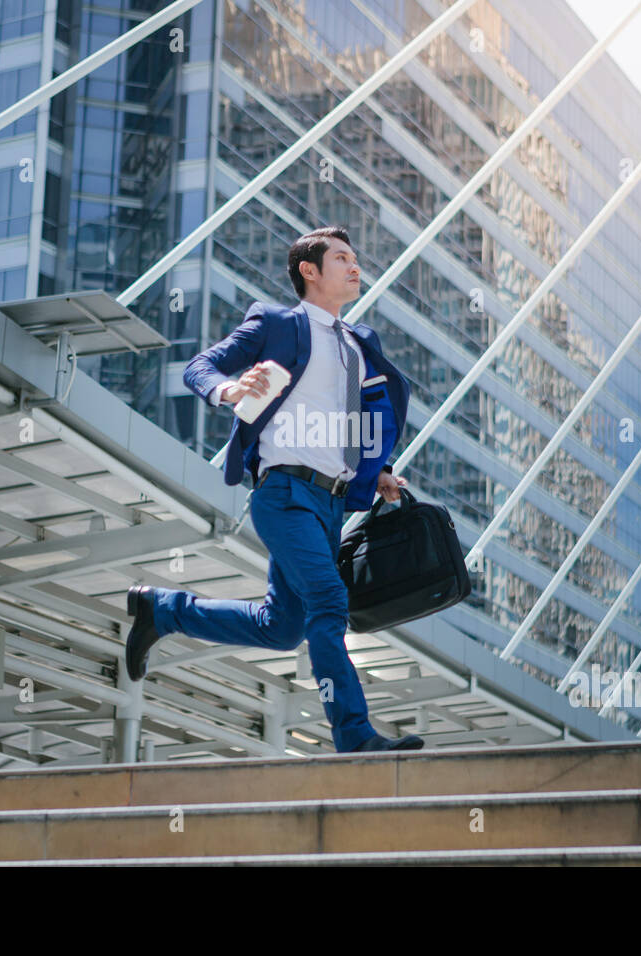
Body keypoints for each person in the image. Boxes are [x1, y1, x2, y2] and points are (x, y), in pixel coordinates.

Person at [122, 225, 424, 753]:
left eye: (356, 259)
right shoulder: (278, 322)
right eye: (342, 258)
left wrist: (377, 469)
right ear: (309, 271)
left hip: (332, 504)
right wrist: (229, 388)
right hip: (284, 495)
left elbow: (348, 419)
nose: (356, 267)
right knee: (329, 602)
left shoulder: (360, 343)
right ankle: (354, 736)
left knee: (282, 628)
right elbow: (201, 367)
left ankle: (163, 610)